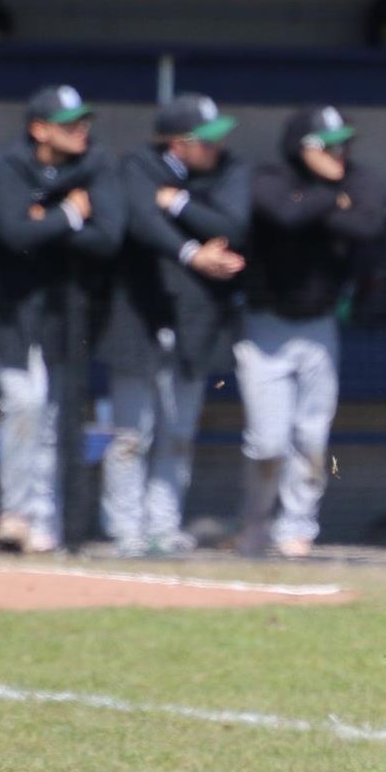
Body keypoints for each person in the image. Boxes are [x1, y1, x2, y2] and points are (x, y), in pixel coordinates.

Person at [234, 105, 385, 558]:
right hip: (264, 327)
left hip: (319, 327)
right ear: (301, 148)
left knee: (311, 437)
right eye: (328, 146)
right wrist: (328, 198)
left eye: (344, 144)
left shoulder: (356, 178)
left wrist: (319, 202)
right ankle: (256, 525)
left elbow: (368, 222)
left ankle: (297, 529)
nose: (341, 154)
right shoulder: (271, 175)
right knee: (266, 441)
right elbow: (283, 215)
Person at [100, 93, 247, 558]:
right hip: (138, 316)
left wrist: (179, 202)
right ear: (179, 144)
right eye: (204, 141)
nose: (214, 148)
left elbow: (235, 225)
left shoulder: (228, 170)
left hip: (196, 322)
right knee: (132, 433)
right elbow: (140, 220)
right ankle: (125, 528)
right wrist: (192, 252)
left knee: (178, 431)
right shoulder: (137, 166)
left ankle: (163, 525)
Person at [0, 86, 124, 555]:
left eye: (83, 122)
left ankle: (43, 521)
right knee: (24, 403)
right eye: (69, 124)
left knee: (52, 417)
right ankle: (16, 512)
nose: (80, 131)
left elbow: (108, 237)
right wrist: (69, 214)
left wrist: (48, 222)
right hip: (11, 308)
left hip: (66, 310)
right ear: (39, 129)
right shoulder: (10, 166)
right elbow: (14, 233)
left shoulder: (95, 164)